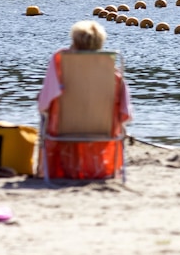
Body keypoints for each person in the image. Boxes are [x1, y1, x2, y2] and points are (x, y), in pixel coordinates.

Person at [37, 20, 132, 180]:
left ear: (74, 41)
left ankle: (54, 168)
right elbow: (125, 113)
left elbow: (43, 104)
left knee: (46, 113)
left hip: (63, 128)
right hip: (103, 130)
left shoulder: (61, 67)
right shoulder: (112, 75)